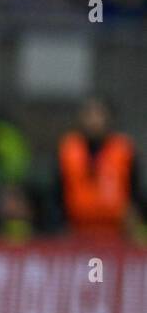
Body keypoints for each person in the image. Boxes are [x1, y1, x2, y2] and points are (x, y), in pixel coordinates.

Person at [56, 96, 143, 240]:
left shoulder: (124, 150)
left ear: (109, 118)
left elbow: (135, 191)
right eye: (89, 114)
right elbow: (58, 191)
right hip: (76, 230)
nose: (94, 120)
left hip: (117, 232)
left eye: (99, 114)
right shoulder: (68, 149)